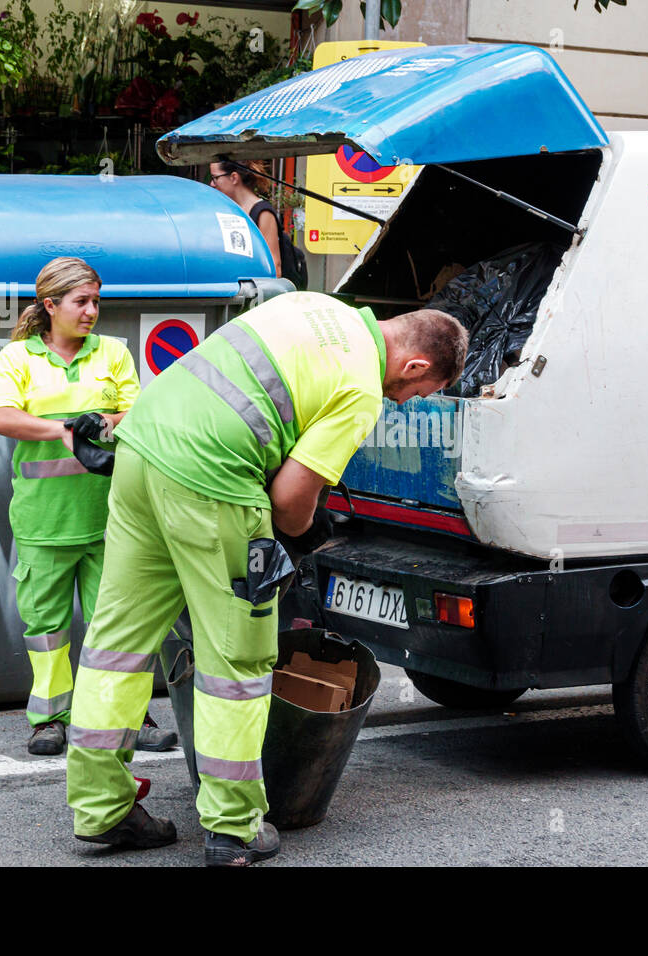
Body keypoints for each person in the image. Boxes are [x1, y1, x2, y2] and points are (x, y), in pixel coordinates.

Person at [66, 290, 468, 864]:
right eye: (414, 393)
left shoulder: (307, 304)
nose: (404, 402)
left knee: (117, 643)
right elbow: (288, 502)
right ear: (415, 365)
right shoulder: (360, 388)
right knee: (237, 659)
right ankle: (232, 828)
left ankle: (101, 810)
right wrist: (306, 534)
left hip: (140, 448)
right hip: (211, 481)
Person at [0, 257, 177, 757]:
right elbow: (1, 416)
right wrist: (66, 428)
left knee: (115, 625)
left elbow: (138, 410)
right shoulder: (18, 359)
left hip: (110, 519)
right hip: (44, 521)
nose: (92, 311)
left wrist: (105, 420)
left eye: (96, 301)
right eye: (81, 302)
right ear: (50, 306)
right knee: (46, 629)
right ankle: (51, 718)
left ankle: (129, 718)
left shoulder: (112, 353)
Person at [208, 158, 283, 279]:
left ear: (234, 177)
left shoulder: (263, 213)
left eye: (215, 178)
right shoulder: (229, 210)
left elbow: (275, 267)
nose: (212, 184)